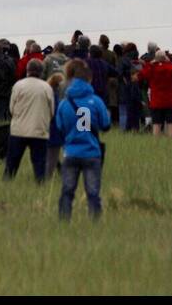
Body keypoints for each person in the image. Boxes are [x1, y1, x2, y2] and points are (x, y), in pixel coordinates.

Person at [54, 59, 110, 220]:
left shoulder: (65, 103)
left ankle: (64, 222)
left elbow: (59, 127)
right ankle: (95, 223)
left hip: (70, 152)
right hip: (92, 152)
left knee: (67, 192)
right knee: (93, 193)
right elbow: (105, 125)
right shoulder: (96, 101)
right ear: (89, 80)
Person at [6, 59, 55, 181]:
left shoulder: (18, 85)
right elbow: (52, 111)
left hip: (19, 130)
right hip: (39, 130)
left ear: (27, 70)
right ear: (41, 72)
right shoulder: (47, 87)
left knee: (12, 162)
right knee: (39, 163)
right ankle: (40, 185)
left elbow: (11, 108)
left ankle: (7, 182)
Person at [139, 51, 172, 137]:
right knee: (171, 123)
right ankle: (171, 141)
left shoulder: (152, 68)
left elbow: (142, 74)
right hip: (169, 100)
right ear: (165, 57)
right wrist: (168, 62)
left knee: (156, 124)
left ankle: (156, 143)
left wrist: (150, 63)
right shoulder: (170, 67)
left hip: (156, 100)